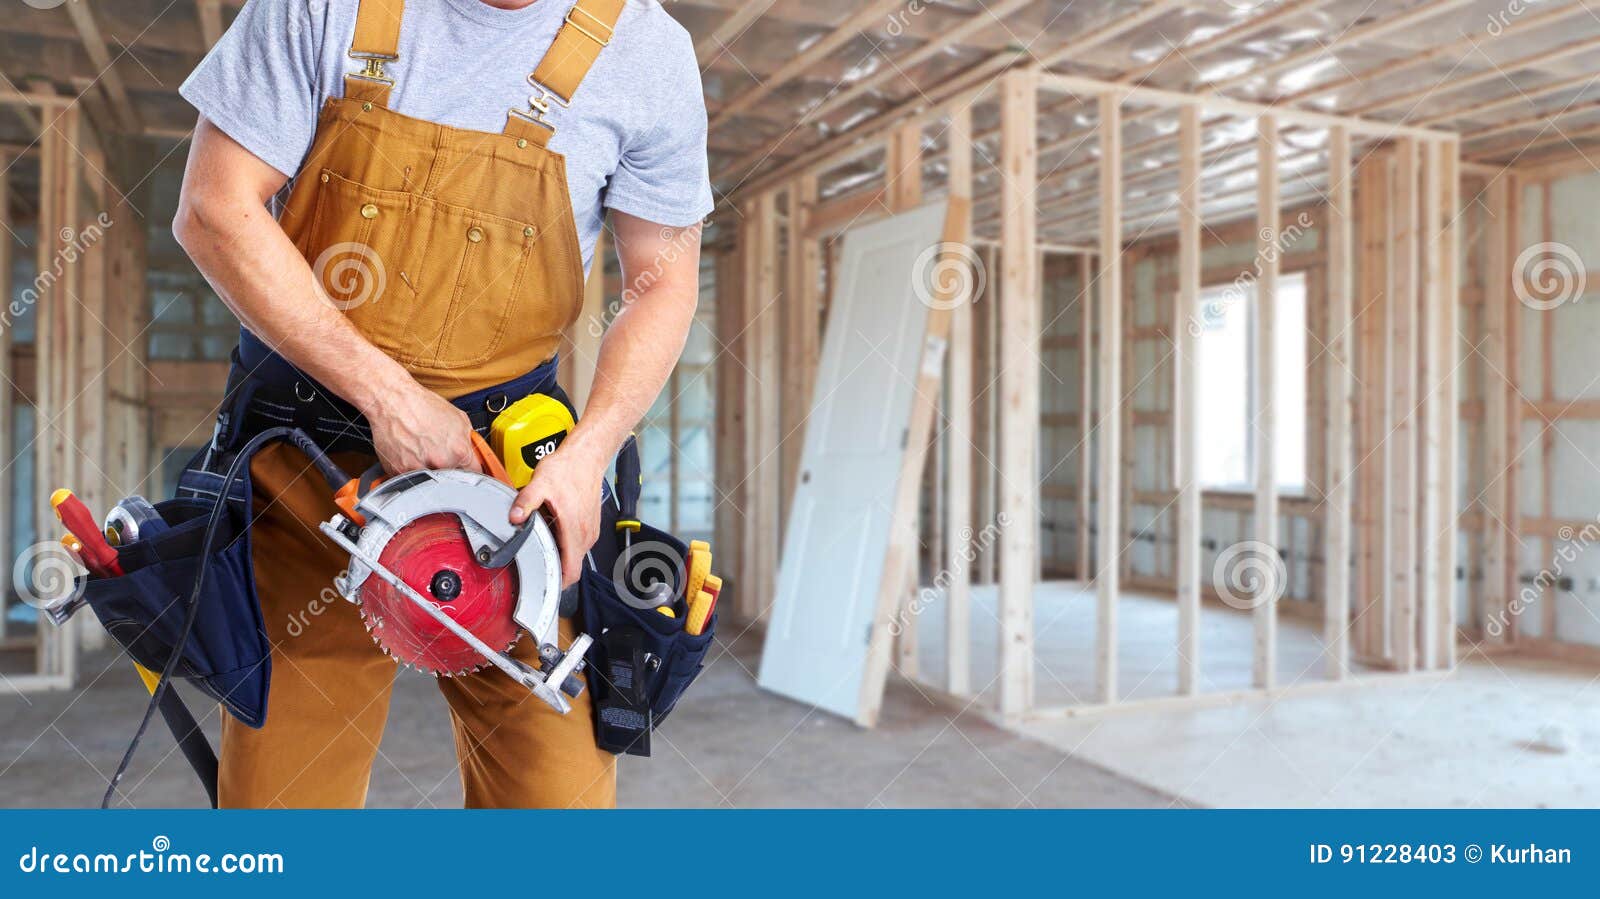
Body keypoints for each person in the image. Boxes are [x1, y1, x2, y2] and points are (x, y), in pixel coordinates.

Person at [172, 0, 711, 808]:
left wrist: (589, 454)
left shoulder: (646, 52)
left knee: (555, 817)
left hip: (508, 494)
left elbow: (663, 280)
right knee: (283, 822)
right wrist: (386, 394)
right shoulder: (323, 8)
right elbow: (215, 210)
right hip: (307, 477)